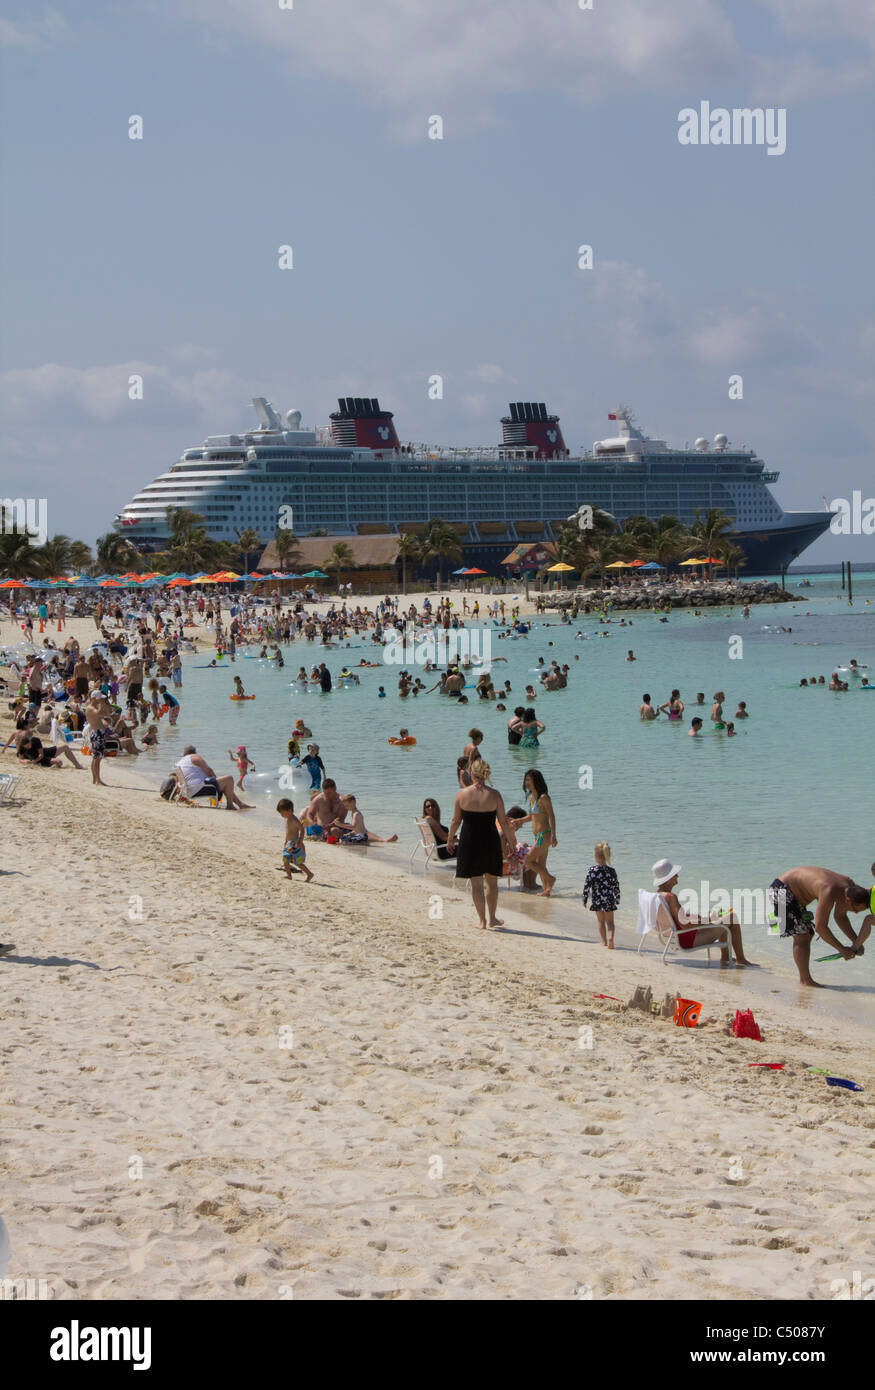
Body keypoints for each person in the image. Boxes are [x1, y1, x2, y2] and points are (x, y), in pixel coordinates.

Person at [767, 867, 873, 987]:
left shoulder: (849, 888)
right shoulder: (829, 891)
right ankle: (805, 981)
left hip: (795, 897)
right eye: (855, 910)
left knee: (807, 934)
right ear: (848, 900)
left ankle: (805, 979)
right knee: (802, 936)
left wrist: (856, 942)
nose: (856, 913)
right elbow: (821, 928)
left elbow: (840, 917)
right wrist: (842, 949)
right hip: (780, 891)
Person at [446, 758, 516, 930]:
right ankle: (492, 918)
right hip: (490, 841)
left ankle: (482, 921)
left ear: (471, 773)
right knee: (491, 883)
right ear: (486, 773)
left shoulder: (462, 794)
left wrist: (450, 838)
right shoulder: (495, 795)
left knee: (476, 883)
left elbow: (455, 821)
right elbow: (504, 822)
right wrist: (512, 842)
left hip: (470, 841)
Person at [651, 859, 751, 966]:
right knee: (732, 917)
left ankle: (725, 957)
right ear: (668, 879)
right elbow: (686, 926)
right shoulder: (671, 897)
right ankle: (741, 960)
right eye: (675, 874)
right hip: (688, 940)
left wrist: (700, 918)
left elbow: (676, 919)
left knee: (722, 918)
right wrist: (707, 920)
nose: (677, 876)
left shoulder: (656, 896)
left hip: (671, 938)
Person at [511, 768, 557, 896]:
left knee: (528, 861)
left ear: (536, 781)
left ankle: (550, 879)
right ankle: (546, 890)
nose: (526, 782)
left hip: (545, 835)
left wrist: (554, 835)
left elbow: (552, 816)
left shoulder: (544, 798)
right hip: (538, 836)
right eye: (525, 780)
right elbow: (532, 816)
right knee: (540, 864)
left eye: (529, 780)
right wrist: (519, 820)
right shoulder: (532, 797)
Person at [175, 746, 252, 810]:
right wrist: (215, 778)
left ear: (184, 753)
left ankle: (240, 804)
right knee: (229, 779)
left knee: (224, 782)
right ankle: (230, 806)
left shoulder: (180, 762)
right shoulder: (194, 757)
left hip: (188, 791)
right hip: (198, 789)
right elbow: (208, 770)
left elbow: (178, 783)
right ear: (194, 752)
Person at [582, 841, 620, 947]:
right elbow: (616, 886)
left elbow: (587, 886)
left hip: (597, 899)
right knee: (610, 922)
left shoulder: (592, 870)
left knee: (601, 922)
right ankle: (611, 938)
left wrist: (584, 899)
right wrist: (617, 898)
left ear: (595, 856)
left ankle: (604, 942)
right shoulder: (612, 871)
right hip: (609, 899)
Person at [332, 794, 398, 844]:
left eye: (347, 805)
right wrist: (351, 833)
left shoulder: (356, 814)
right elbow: (357, 828)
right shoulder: (353, 813)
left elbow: (353, 826)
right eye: (345, 806)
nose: (346, 808)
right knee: (345, 837)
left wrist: (339, 824)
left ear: (353, 802)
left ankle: (385, 840)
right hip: (362, 835)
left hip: (361, 836)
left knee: (342, 841)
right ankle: (386, 840)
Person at [276, 798, 314, 881]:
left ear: (289, 810)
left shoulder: (294, 820)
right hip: (289, 843)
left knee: (298, 862)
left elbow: (302, 830)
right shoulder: (286, 819)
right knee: (285, 859)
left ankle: (309, 874)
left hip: (295, 844)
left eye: (282, 812)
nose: (281, 815)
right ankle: (289, 875)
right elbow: (288, 832)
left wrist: (300, 841)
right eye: (280, 813)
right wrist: (285, 841)